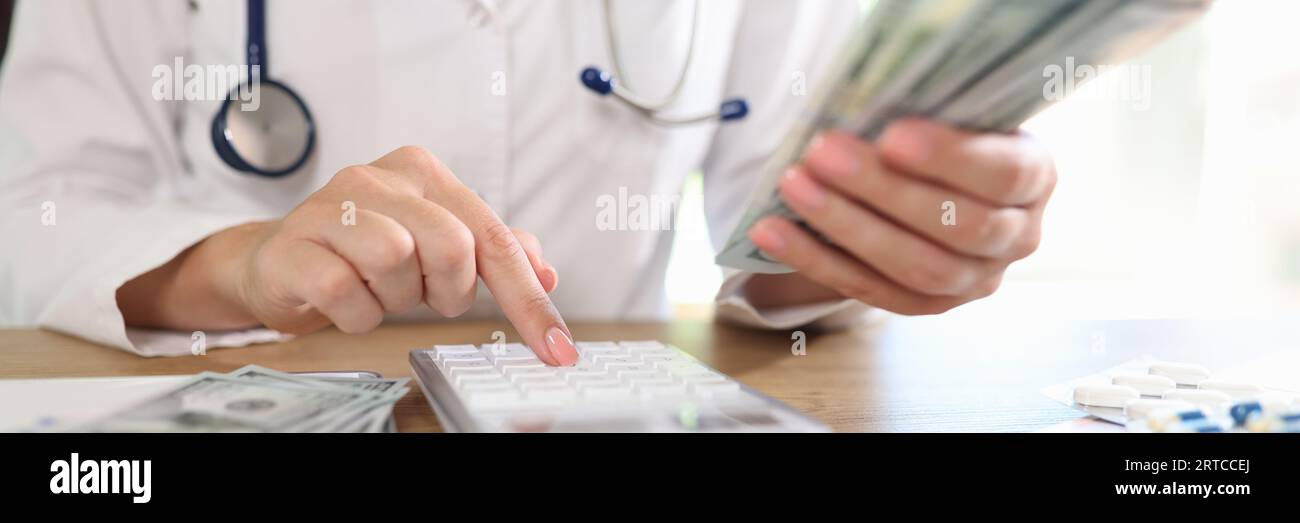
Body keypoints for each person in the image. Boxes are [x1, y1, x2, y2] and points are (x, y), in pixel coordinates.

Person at [0, 0, 1056, 363]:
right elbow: (33, 211)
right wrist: (236, 264)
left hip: (596, 403)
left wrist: (879, 231)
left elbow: (772, 230)